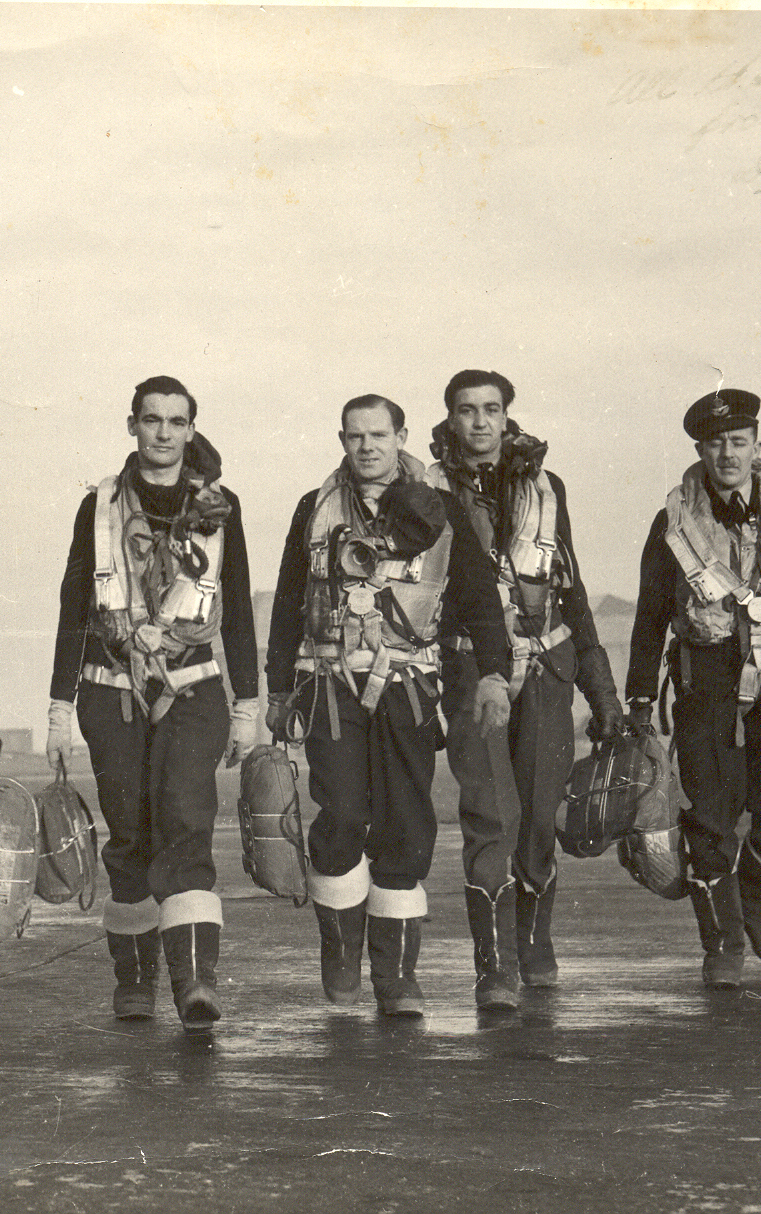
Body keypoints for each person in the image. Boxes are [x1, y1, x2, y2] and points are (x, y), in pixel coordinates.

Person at [265, 394, 510, 1017]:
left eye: (380, 434)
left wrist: (494, 675)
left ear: (402, 436)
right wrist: (274, 690)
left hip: (409, 686)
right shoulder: (313, 509)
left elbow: (481, 599)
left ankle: (396, 975)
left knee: (406, 821)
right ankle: (341, 952)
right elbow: (289, 597)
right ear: (341, 440)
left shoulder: (444, 509)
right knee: (342, 812)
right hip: (327, 685)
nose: (367, 446)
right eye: (355, 436)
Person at [46, 376, 257, 1031]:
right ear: (132, 425)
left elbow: (239, 610)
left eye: (176, 421)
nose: (164, 432)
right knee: (131, 836)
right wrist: (58, 705)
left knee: (186, 824)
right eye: (152, 420)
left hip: (193, 690)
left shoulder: (222, 507)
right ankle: (133, 979)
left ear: (192, 430)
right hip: (111, 693)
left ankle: (195, 981)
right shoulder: (100, 507)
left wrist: (248, 703)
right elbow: (73, 603)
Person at [425, 370, 624, 1009]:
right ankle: (495, 967)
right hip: (469, 676)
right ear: (450, 419)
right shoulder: (423, 492)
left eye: (491, 409)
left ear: (508, 415)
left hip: (546, 671)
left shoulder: (547, 488)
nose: (480, 422)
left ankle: (535, 945)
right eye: (466, 410)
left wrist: (603, 692)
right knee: (489, 817)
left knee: (540, 817)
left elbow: (574, 590)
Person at [625, 389, 761, 989]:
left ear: (757, 444)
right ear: (700, 449)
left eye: (739, 441)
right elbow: (651, 612)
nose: (728, 454)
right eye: (715, 443)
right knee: (710, 816)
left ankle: (755, 896)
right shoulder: (673, 522)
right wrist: (636, 698)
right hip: (705, 680)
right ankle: (723, 946)